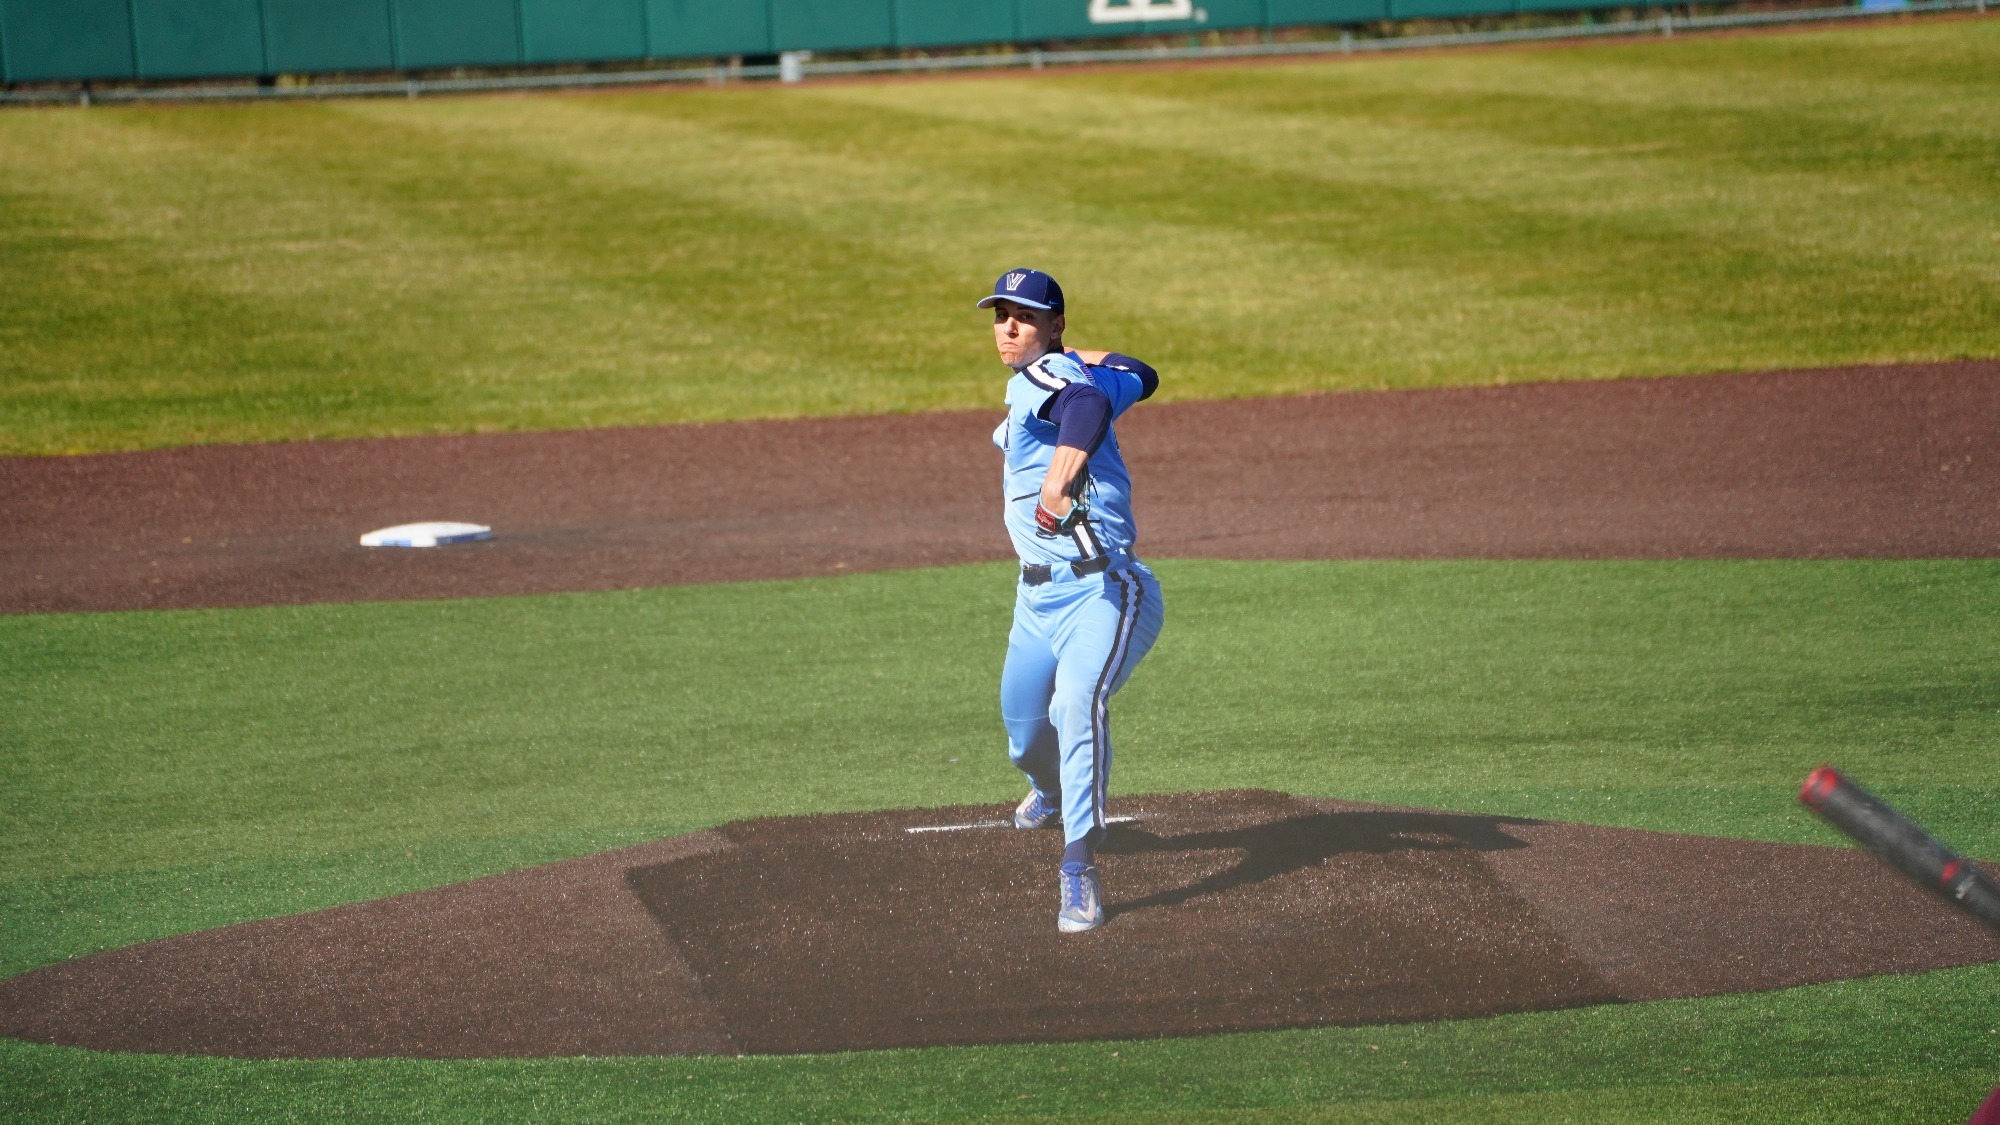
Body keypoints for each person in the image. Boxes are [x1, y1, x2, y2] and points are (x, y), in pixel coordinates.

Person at [978, 268, 1165, 933]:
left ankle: (1079, 865)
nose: (1008, 327)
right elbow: (1142, 374)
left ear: (1053, 324)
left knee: (1076, 703)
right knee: (1025, 738)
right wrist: (1079, 354)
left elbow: (1082, 409)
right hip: (1035, 602)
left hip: (1104, 590)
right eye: (1001, 315)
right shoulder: (1068, 373)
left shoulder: (1049, 379)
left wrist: (1058, 482)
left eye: (1025, 317)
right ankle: (1051, 792)